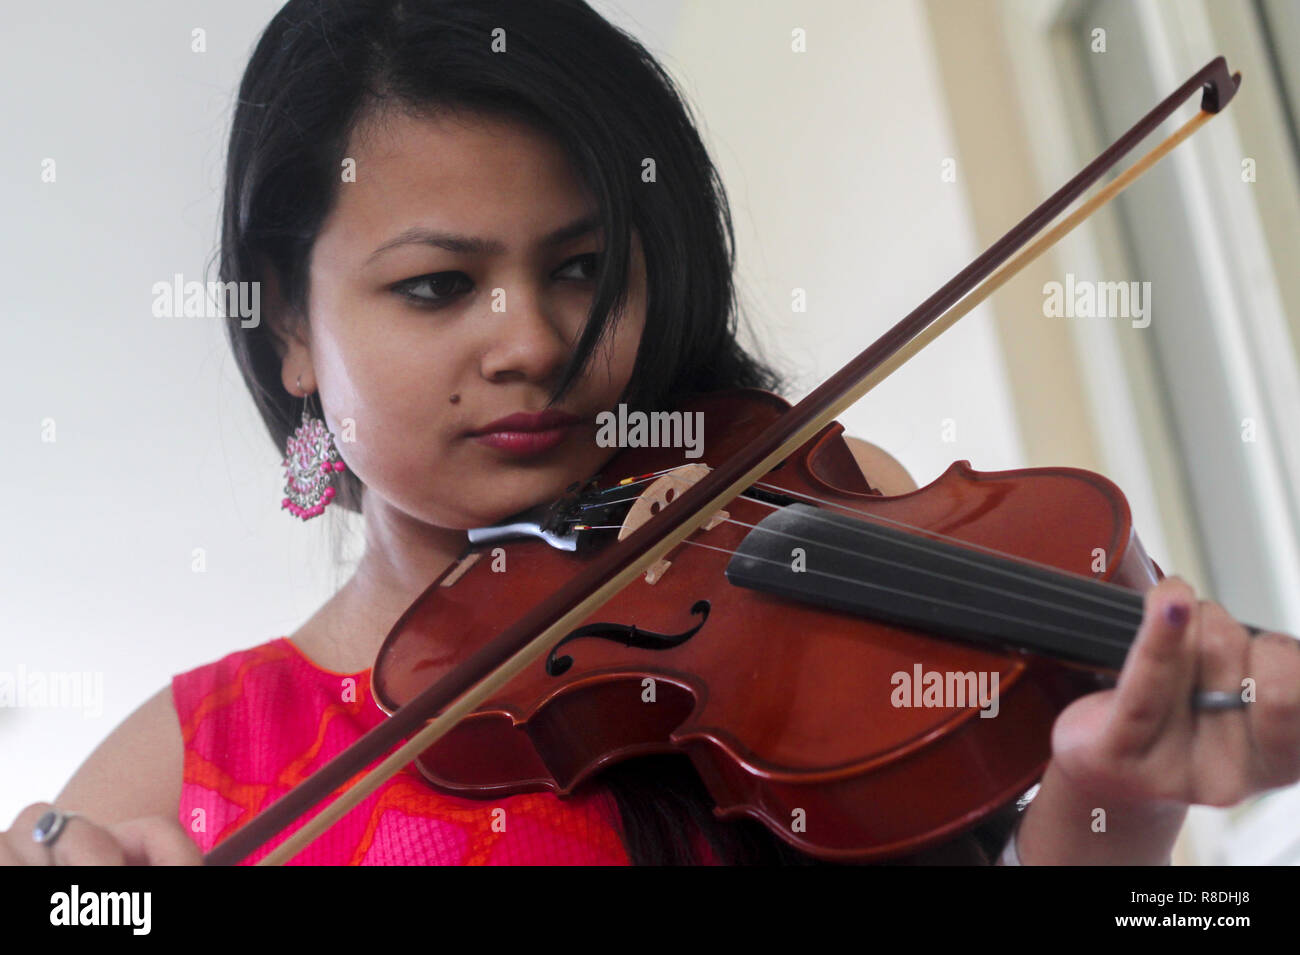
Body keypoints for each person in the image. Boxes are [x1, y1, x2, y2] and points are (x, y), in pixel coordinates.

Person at [3, 0, 1297, 867]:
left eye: (580, 270)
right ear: (290, 324)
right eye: (439, 286)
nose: (531, 342)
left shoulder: (808, 516)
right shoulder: (197, 761)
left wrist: (1119, 800)